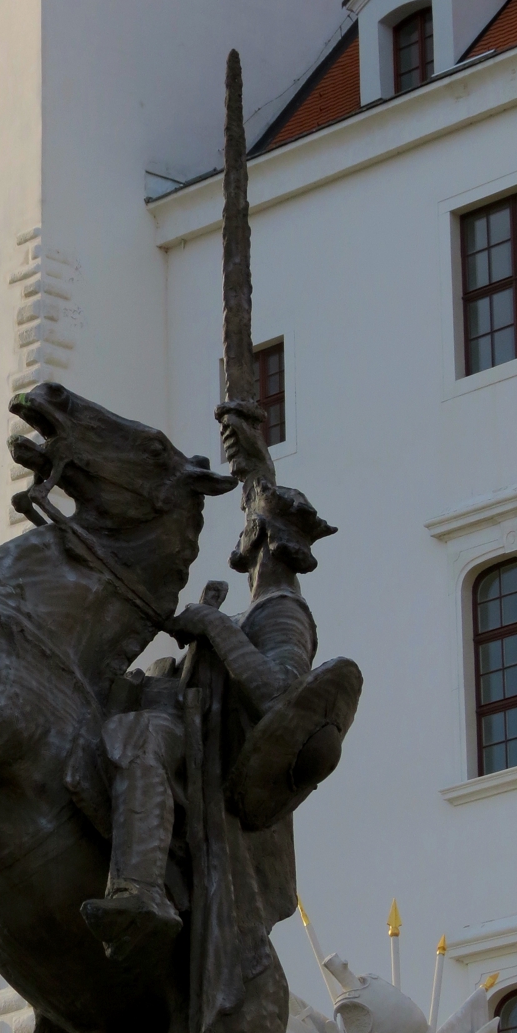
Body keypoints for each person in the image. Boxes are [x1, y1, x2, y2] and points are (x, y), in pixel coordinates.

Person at [82, 411, 342, 976]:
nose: (240, 526)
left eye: (249, 521)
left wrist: (213, 626)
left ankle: (142, 889)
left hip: (212, 762)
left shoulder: (284, 613)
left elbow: (278, 695)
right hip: (194, 723)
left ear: (262, 538)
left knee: (142, 737)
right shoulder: (263, 605)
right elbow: (256, 485)